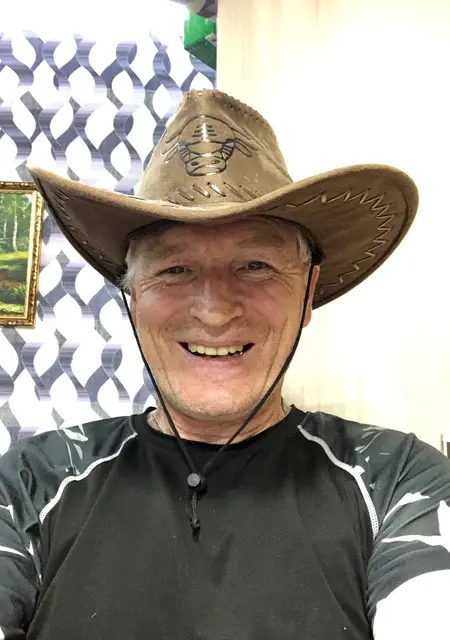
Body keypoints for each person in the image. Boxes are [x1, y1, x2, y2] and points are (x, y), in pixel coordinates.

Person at [0, 88, 448, 640]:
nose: (214, 311)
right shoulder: (31, 482)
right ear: (133, 298)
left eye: (256, 265)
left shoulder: (397, 480)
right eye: (174, 270)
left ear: (308, 293)